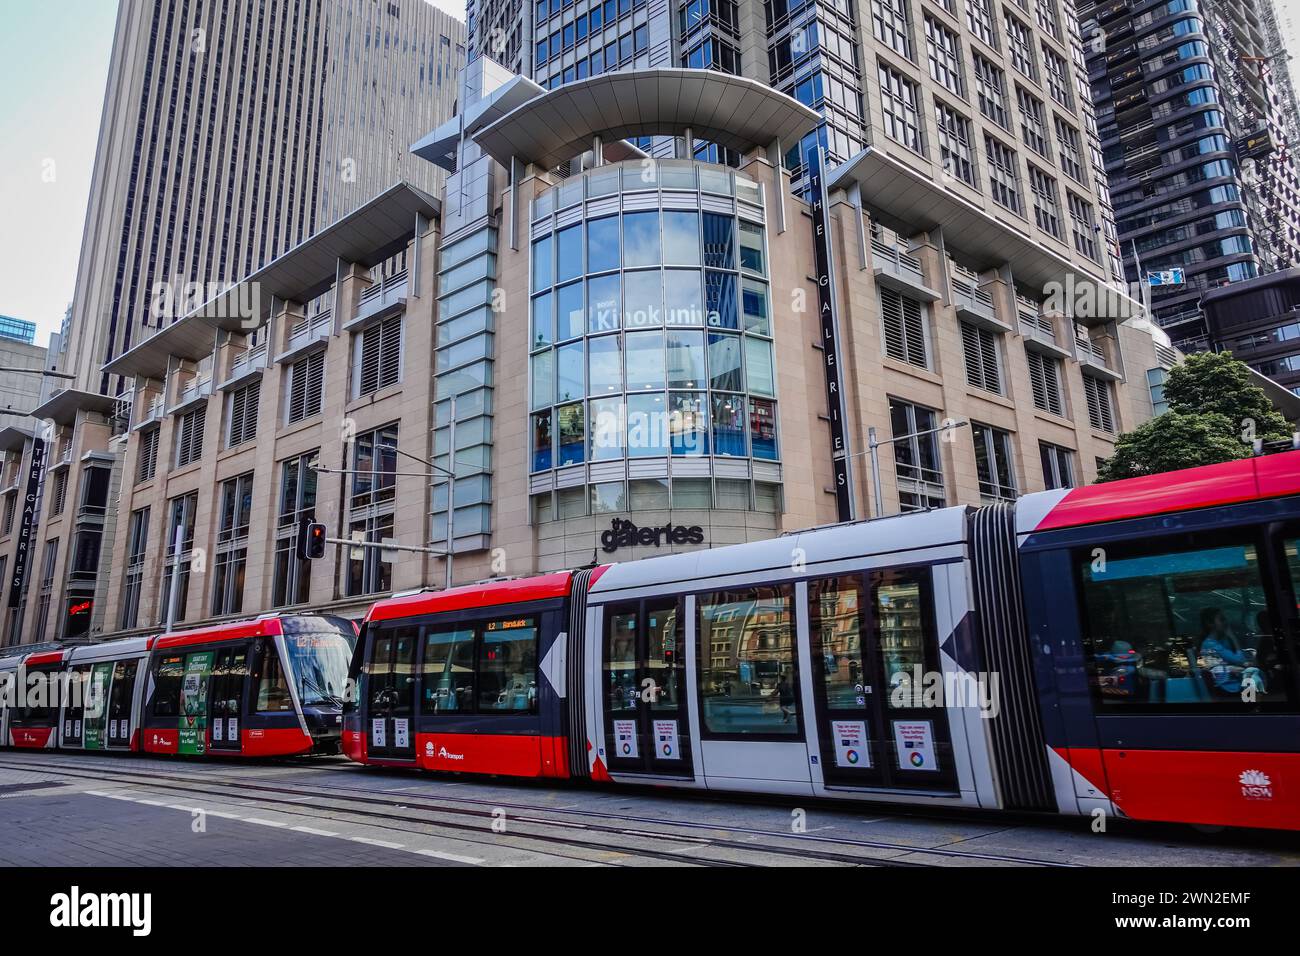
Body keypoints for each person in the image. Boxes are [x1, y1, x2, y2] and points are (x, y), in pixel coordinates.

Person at [1199, 609, 1264, 697]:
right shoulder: (1210, 644)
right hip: (1228, 687)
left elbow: (1240, 660)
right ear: (1210, 624)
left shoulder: (1222, 641)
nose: (1225, 622)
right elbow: (1239, 659)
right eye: (1221, 619)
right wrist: (1233, 637)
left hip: (1237, 682)